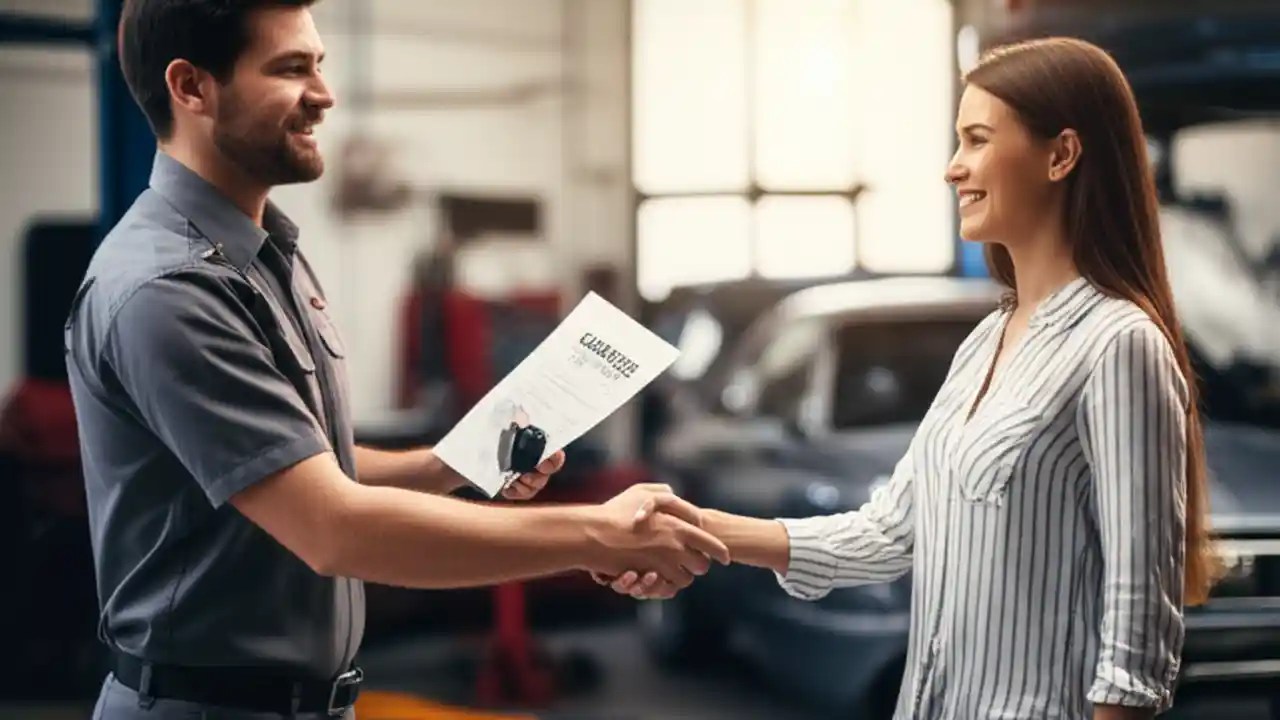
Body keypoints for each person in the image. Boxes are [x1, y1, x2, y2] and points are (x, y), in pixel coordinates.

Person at [65, 2, 728, 718]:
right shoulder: (170, 290)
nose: (324, 93)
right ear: (191, 88)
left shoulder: (265, 258)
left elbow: (297, 462)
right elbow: (334, 527)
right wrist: (597, 533)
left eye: (318, 63)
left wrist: (453, 463)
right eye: (291, 69)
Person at [603, 37, 1221, 719]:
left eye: (977, 140)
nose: (954, 169)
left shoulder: (1119, 345)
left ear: (1061, 154)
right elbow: (890, 533)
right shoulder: (989, 339)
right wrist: (700, 527)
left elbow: (1138, 638)